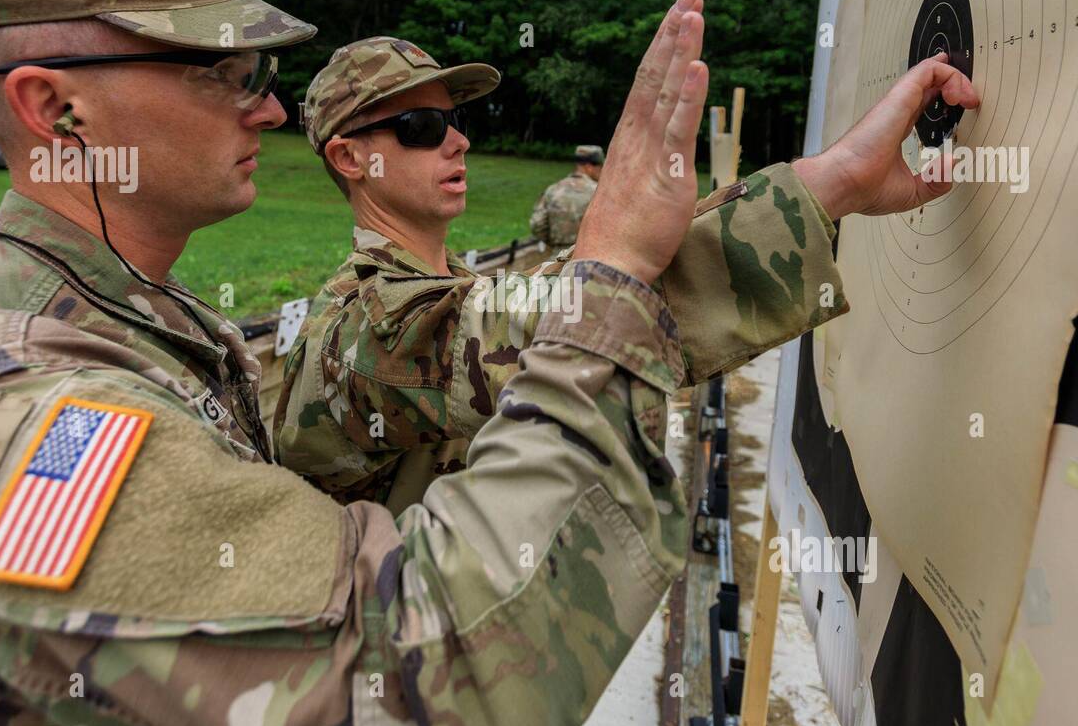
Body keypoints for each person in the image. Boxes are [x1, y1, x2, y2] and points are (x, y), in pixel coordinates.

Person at [0, 0, 753, 726]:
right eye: (224, 70)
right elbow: (413, 677)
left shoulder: (136, 320)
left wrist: (813, 201)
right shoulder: (17, 421)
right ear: (58, 107)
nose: (265, 109)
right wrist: (619, 266)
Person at [276, 30, 978, 511]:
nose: (457, 139)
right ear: (347, 158)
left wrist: (831, 185)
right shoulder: (356, 330)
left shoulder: (457, 289)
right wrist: (833, 185)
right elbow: (573, 315)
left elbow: (602, 290)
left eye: (453, 120)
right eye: (421, 128)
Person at [530, 144, 604, 251]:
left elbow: (537, 224)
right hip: (589, 256)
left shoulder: (553, 190)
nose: (602, 171)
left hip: (558, 257)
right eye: (600, 167)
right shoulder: (598, 192)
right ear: (589, 167)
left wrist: (556, 246)